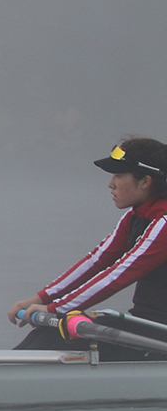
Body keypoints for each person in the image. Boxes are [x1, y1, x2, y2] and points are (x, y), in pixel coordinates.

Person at [9, 137, 167, 360]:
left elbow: (118, 275)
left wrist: (56, 309)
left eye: (119, 176)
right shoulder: (136, 217)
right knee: (50, 332)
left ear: (146, 182)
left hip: (159, 334)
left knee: (53, 338)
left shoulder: (164, 222)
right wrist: (40, 299)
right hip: (149, 326)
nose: (111, 184)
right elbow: (96, 262)